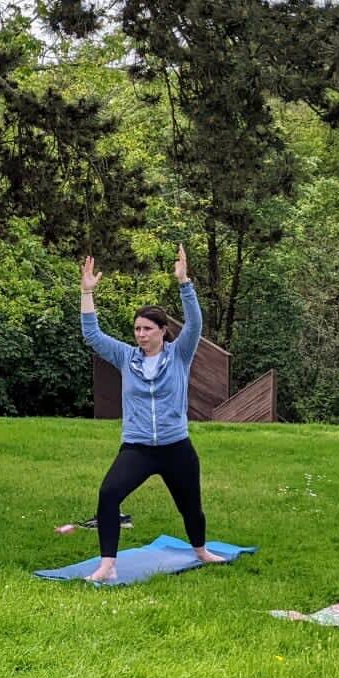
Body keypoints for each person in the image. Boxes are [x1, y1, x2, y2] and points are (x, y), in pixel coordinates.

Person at [79, 245, 226, 583]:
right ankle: (107, 565)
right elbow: (92, 335)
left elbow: (195, 323)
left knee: (191, 506)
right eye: (137, 329)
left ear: (162, 330)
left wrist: (184, 282)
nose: (141, 335)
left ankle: (201, 550)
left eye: (147, 329)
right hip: (138, 448)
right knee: (109, 494)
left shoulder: (179, 354)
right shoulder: (125, 357)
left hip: (176, 447)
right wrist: (87, 293)